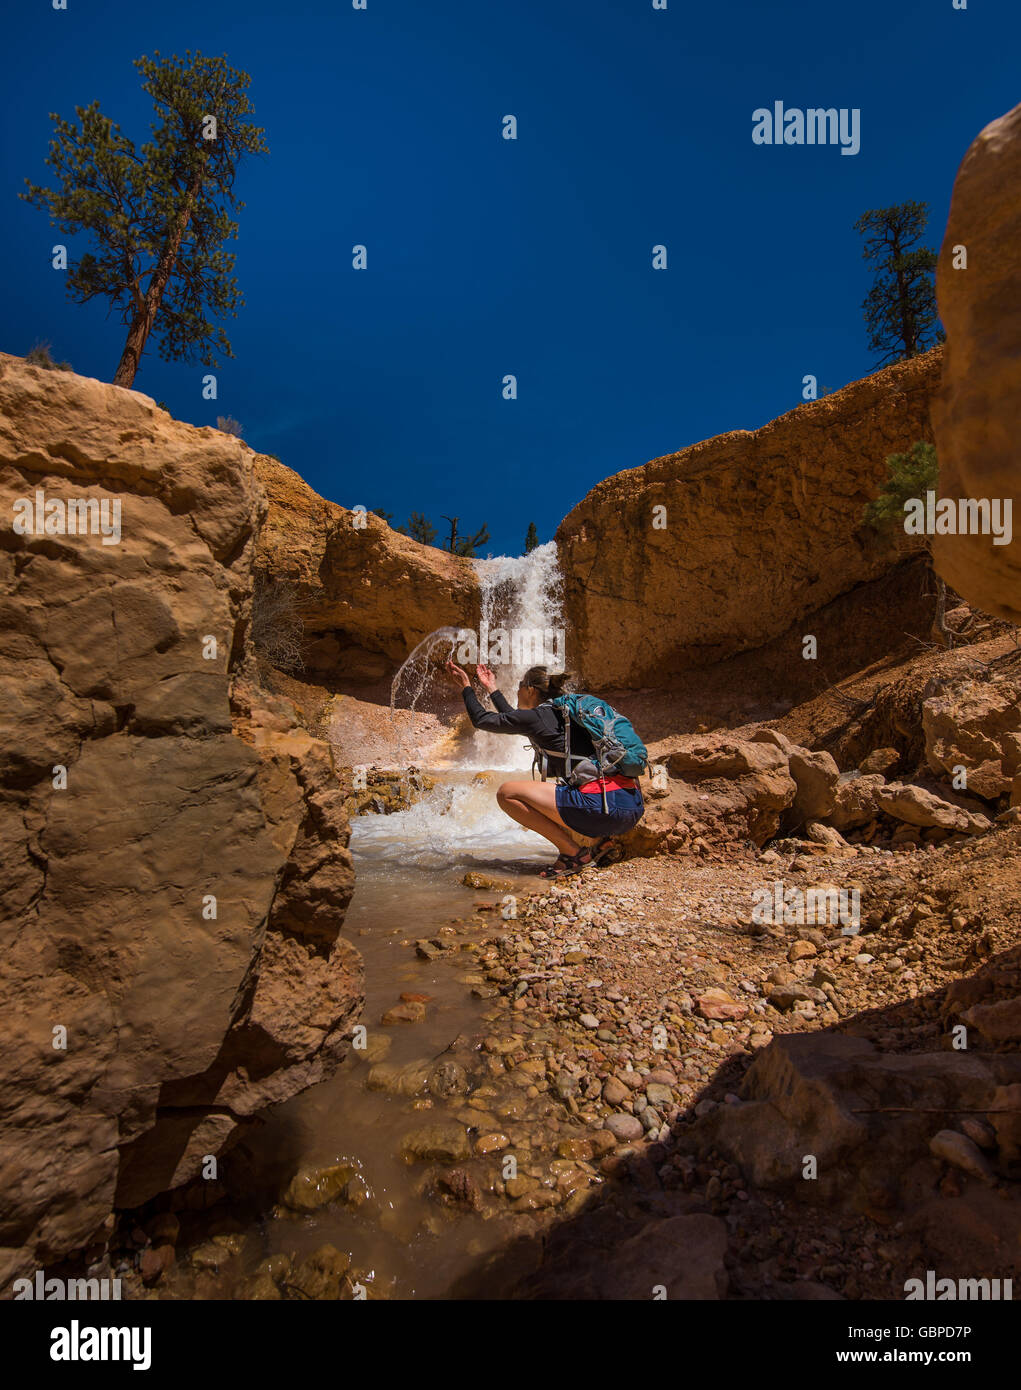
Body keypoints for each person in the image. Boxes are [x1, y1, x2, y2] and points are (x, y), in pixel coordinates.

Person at [445, 660, 645, 878]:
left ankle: (573, 854)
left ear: (530, 689)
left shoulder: (538, 718)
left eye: (520, 685)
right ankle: (600, 843)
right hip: (630, 808)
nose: (517, 689)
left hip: (599, 810)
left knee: (507, 793)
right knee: (572, 791)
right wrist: (491, 688)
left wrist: (466, 686)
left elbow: (482, 720)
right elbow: (515, 719)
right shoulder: (566, 714)